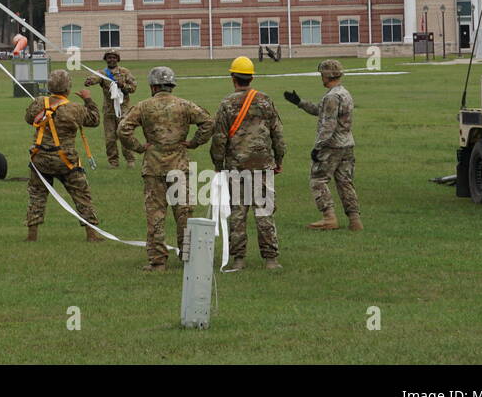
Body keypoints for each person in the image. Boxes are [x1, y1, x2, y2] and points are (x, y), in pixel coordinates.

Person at [116, 66, 214, 272]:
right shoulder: (184, 105)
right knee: (184, 213)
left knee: (156, 214)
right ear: (171, 86)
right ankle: (189, 256)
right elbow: (208, 123)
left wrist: (139, 147)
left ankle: (158, 260)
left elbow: (123, 129)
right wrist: (194, 142)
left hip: (153, 167)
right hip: (179, 166)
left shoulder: (143, 106)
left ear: (153, 86)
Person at [210, 56, 285, 271]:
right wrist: (278, 160)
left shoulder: (226, 103)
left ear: (233, 78)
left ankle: (238, 259)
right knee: (264, 211)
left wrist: (218, 163)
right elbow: (278, 134)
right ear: (251, 78)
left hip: (236, 167)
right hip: (263, 165)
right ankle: (271, 259)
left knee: (238, 212)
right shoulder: (265, 100)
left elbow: (219, 138)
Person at [24, 69, 104, 242]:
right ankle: (92, 235)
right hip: (66, 160)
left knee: (37, 196)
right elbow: (95, 120)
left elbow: (29, 119)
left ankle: (32, 235)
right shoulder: (75, 108)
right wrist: (88, 99)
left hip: (40, 158)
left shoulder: (39, 103)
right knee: (81, 195)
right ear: (68, 88)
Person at [285, 59, 362, 231]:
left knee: (318, 180)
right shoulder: (344, 93)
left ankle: (329, 218)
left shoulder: (332, 97)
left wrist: (318, 147)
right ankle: (355, 221)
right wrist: (299, 102)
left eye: (322, 75)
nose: (321, 78)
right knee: (345, 182)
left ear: (328, 75)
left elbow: (328, 125)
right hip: (347, 144)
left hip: (332, 146)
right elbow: (319, 110)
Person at [85, 51, 138, 168]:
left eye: (114, 57)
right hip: (109, 111)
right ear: (106, 59)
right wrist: (89, 81)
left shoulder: (125, 72)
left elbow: (133, 87)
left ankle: (130, 160)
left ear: (118, 59)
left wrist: (123, 85)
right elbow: (95, 78)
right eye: (109, 57)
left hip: (124, 110)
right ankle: (113, 162)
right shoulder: (103, 73)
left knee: (125, 134)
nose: (111, 59)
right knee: (110, 138)